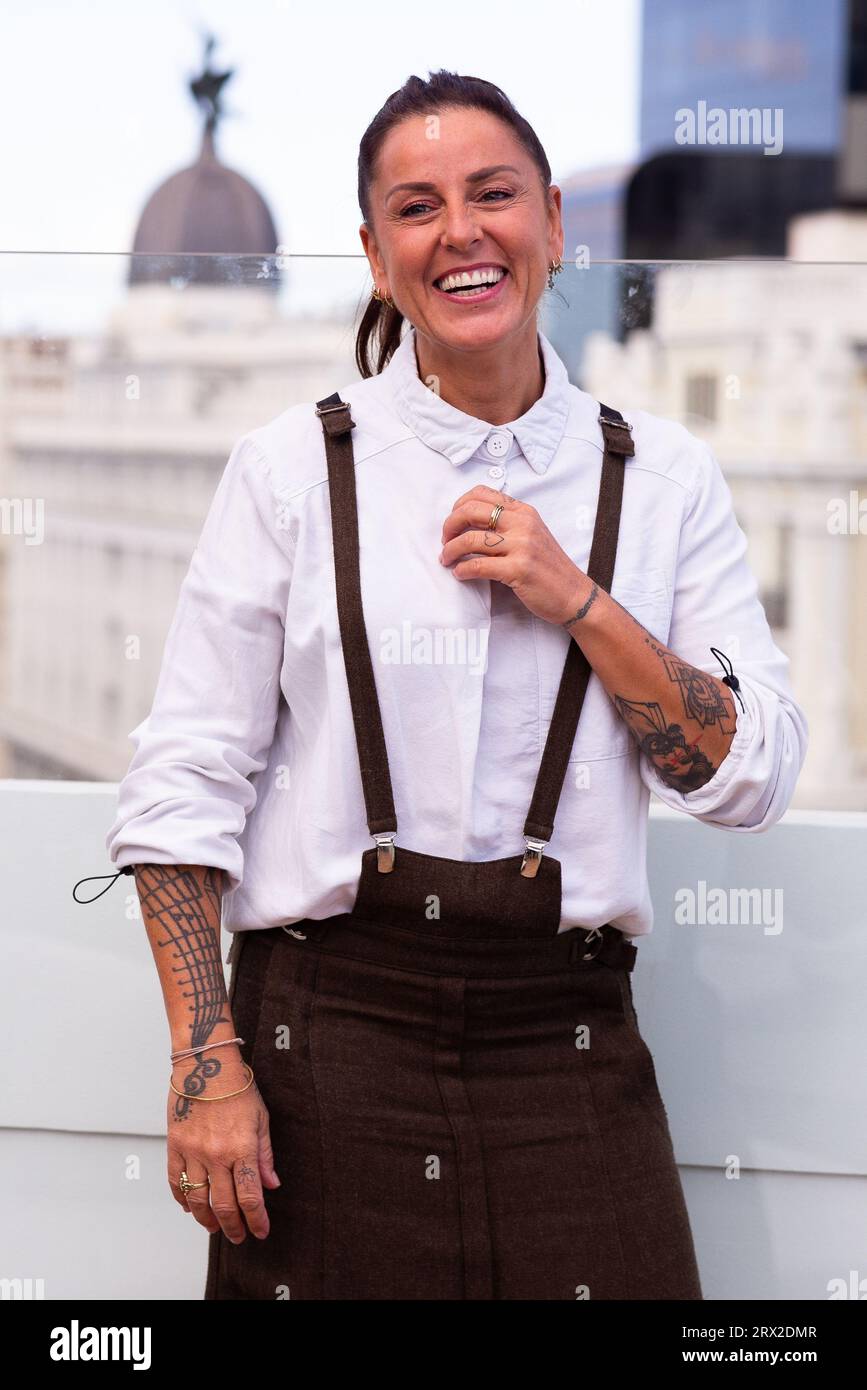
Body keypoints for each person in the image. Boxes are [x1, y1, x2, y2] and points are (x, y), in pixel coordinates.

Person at [100, 70, 808, 1300]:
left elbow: (749, 776)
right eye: (418, 208)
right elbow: (185, 785)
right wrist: (204, 1061)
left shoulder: (666, 480)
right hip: (325, 1041)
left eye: (495, 194)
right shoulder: (285, 470)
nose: (463, 231)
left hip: (567, 1045)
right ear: (378, 257)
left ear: (554, 227)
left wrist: (579, 600)